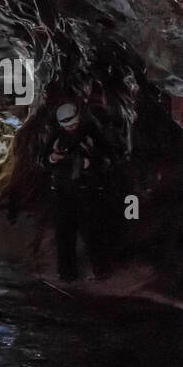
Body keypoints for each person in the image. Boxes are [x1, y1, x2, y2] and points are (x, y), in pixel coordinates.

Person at [41, 102, 115, 282]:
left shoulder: (91, 133)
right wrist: (53, 158)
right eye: (67, 126)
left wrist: (91, 163)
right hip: (63, 193)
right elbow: (43, 161)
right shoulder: (56, 137)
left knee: (93, 233)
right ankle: (67, 274)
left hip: (87, 192)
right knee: (64, 236)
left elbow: (108, 158)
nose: (71, 128)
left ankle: (101, 270)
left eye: (74, 124)